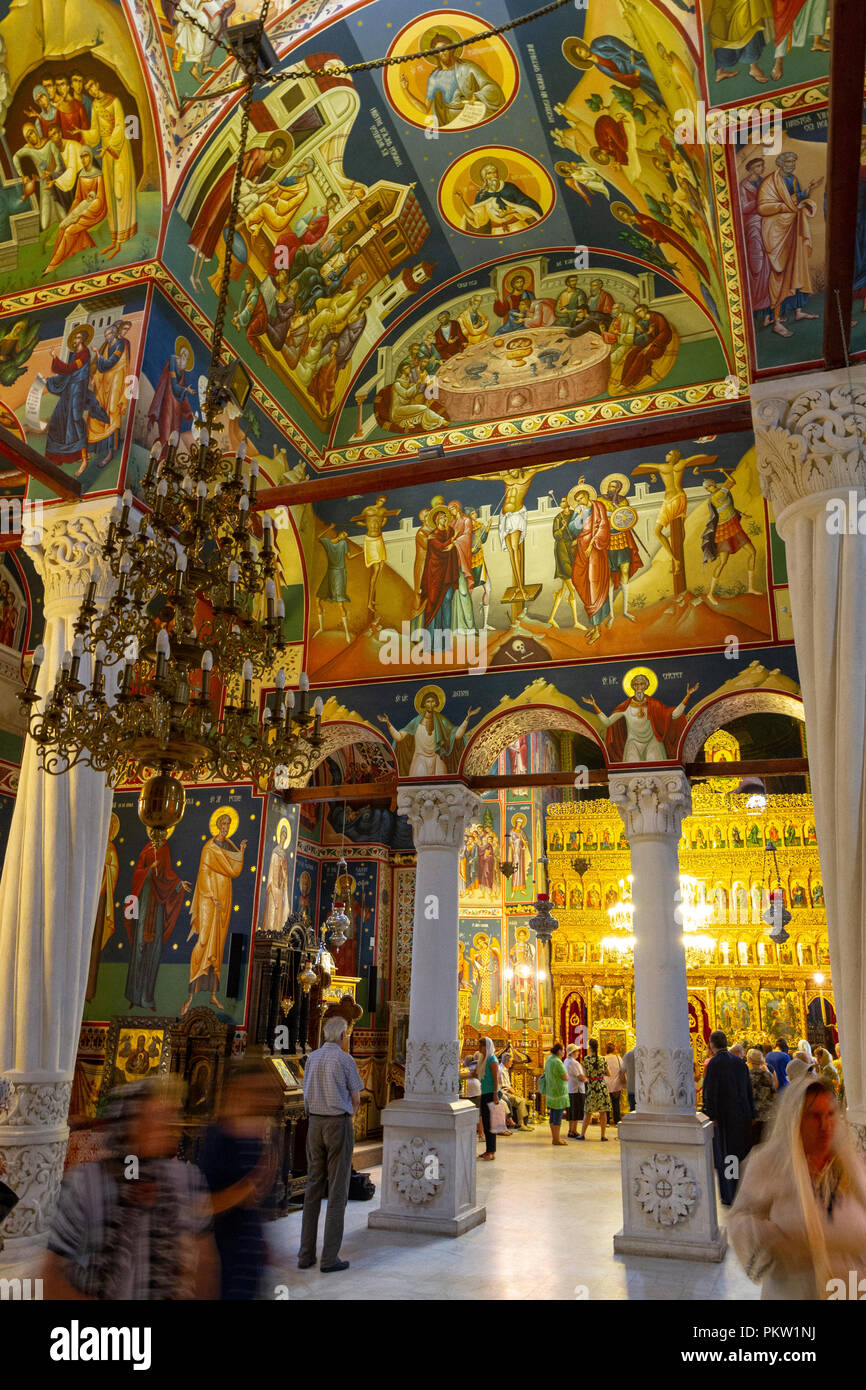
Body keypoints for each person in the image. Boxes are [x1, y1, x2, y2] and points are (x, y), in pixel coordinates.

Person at [43, 1080, 216, 1298]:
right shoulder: (86, 1184)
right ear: (126, 1125)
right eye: (154, 1118)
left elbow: (205, 1261)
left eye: (170, 1116)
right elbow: (54, 1271)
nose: (169, 1125)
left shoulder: (186, 1180)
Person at [729, 1076, 866, 1300]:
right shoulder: (768, 1163)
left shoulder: (850, 1165)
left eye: (830, 1114)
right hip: (795, 1289)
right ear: (795, 1119)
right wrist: (777, 1242)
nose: (825, 1126)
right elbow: (741, 1216)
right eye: (814, 1116)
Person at [198, 1060, 276, 1299]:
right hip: (223, 1259)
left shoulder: (257, 1136)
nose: (260, 1099)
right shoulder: (218, 1137)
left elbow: (258, 1205)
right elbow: (205, 1206)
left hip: (250, 1257)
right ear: (237, 1091)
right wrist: (249, 1186)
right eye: (255, 1091)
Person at [297, 1010, 363, 1273]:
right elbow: (356, 1098)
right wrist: (348, 1115)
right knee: (337, 1191)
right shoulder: (345, 1060)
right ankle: (329, 1258)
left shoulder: (311, 1058)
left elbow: (305, 1092)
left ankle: (305, 1255)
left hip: (314, 1124)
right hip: (337, 1124)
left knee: (313, 1189)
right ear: (344, 1035)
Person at [702, 1030, 755, 1206]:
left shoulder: (714, 1064)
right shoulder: (740, 1062)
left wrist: (712, 1115)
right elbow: (748, 1090)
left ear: (712, 1045)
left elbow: (710, 1092)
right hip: (742, 1114)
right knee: (740, 1154)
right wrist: (751, 1113)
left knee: (728, 1156)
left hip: (725, 1117)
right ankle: (744, 1190)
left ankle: (731, 1193)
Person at [579, 1038, 612, 1140]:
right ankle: (603, 1136)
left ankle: (582, 1134)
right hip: (601, 1085)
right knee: (603, 1112)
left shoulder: (586, 1059)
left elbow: (584, 1075)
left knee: (588, 1112)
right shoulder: (603, 1059)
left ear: (590, 1047)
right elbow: (609, 1073)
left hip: (591, 1086)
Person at [477, 1036, 500, 1160]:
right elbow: (476, 1074)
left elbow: (496, 1077)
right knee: (486, 1123)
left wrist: (495, 1093)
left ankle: (491, 1151)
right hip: (485, 1093)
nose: (479, 1049)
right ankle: (488, 1150)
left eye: (481, 1046)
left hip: (492, 1093)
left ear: (486, 1047)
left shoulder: (492, 1059)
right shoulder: (483, 1059)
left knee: (491, 1123)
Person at [748, 1047, 777, 1145]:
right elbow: (774, 1093)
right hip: (767, 1116)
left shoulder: (747, 1076)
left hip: (753, 1117)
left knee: (754, 1144)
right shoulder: (768, 1075)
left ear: (749, 1060)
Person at [499, 1045, 533, 1130]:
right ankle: (521, 1124)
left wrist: (515, 1093)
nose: (512, 1063)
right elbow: (504, 1086)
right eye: (511, 1061)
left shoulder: (505, 1069)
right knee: (520, 1101)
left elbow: (508, 1085)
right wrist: (514, 1093)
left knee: (523, 1099)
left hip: (507, 1091)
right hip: (503, 1093)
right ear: (506, 1061)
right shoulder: (501, 1070)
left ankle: (524, 1123)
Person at [542, 1043, 569, 1146]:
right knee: (557, 1116)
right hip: (559, 1092)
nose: (564, 1052)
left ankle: (554, 1138)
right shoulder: (558, 1062)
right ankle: (557, 1139)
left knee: (552, 1116)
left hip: (551, 1091)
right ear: (559, 1051)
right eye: (563, 1050)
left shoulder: (549, 1059)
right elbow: (565, 1077)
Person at [565, 1043, 587, 1138]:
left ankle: (571, 1129)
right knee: (576, 1111)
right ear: (572, 1053)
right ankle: (573, 1130)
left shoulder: (566, 1061)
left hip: (570, 1088)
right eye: (576, 1051)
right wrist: (587, 1080)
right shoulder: (574, 1063)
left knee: (572, 1110)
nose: (578, 1053)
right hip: (576, 1089)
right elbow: (580, 1077)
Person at [604, 1042, 626, 1125]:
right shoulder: (618, 1058)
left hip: (606, 1083)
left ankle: (607, 1121)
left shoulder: (604, 1058)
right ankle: (617, 1120)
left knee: (606, 1103)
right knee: (616, 1103)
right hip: (616, 1083)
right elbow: (622, 1070)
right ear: (614, 1049)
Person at [465, 1052, 484, 1140]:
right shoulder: (477, 1065)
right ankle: (481, 1134)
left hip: (470, 1090)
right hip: (476, 1090)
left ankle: (478, 1133)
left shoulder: (467, 1068)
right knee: (478, 1114)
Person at [623, 1046, 636, 1112]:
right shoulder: (644, 1053)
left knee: (632, 1109)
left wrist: (624, 1083)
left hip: (631, 1085)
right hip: (643, 1088)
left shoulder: (627, 1055)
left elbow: (622, 1071)